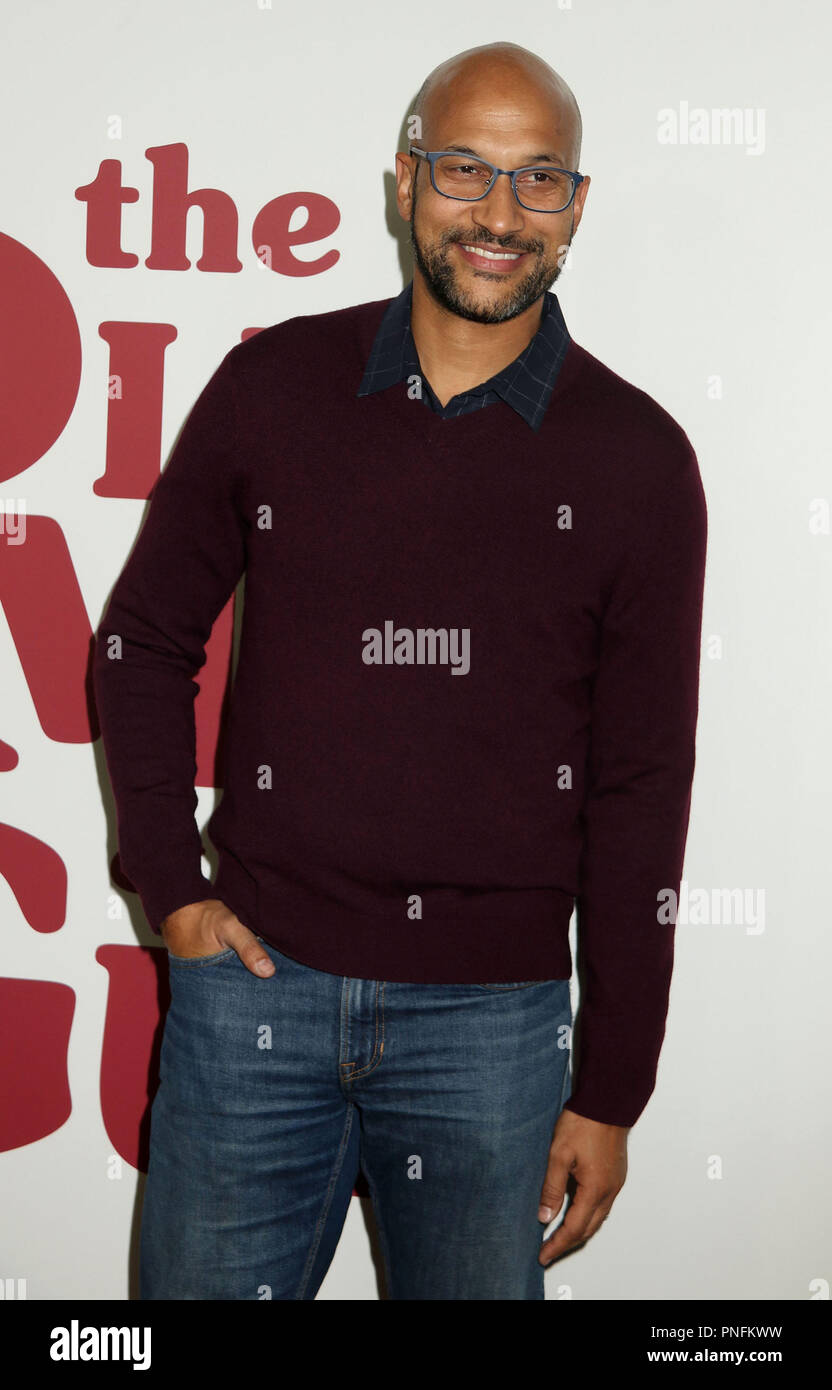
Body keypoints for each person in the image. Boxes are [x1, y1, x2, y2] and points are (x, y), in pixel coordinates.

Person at [93, 40, 707, 1300]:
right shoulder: (275, 386)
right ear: (402, 182)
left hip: (494, 1027)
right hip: (252, 996)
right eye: (464, 169)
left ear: (576, 207)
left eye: (539, 179)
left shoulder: (638, 460)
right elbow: (138, 642)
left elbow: (643, 784)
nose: (497, 212)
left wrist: (614, 1087)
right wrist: (171, 892)